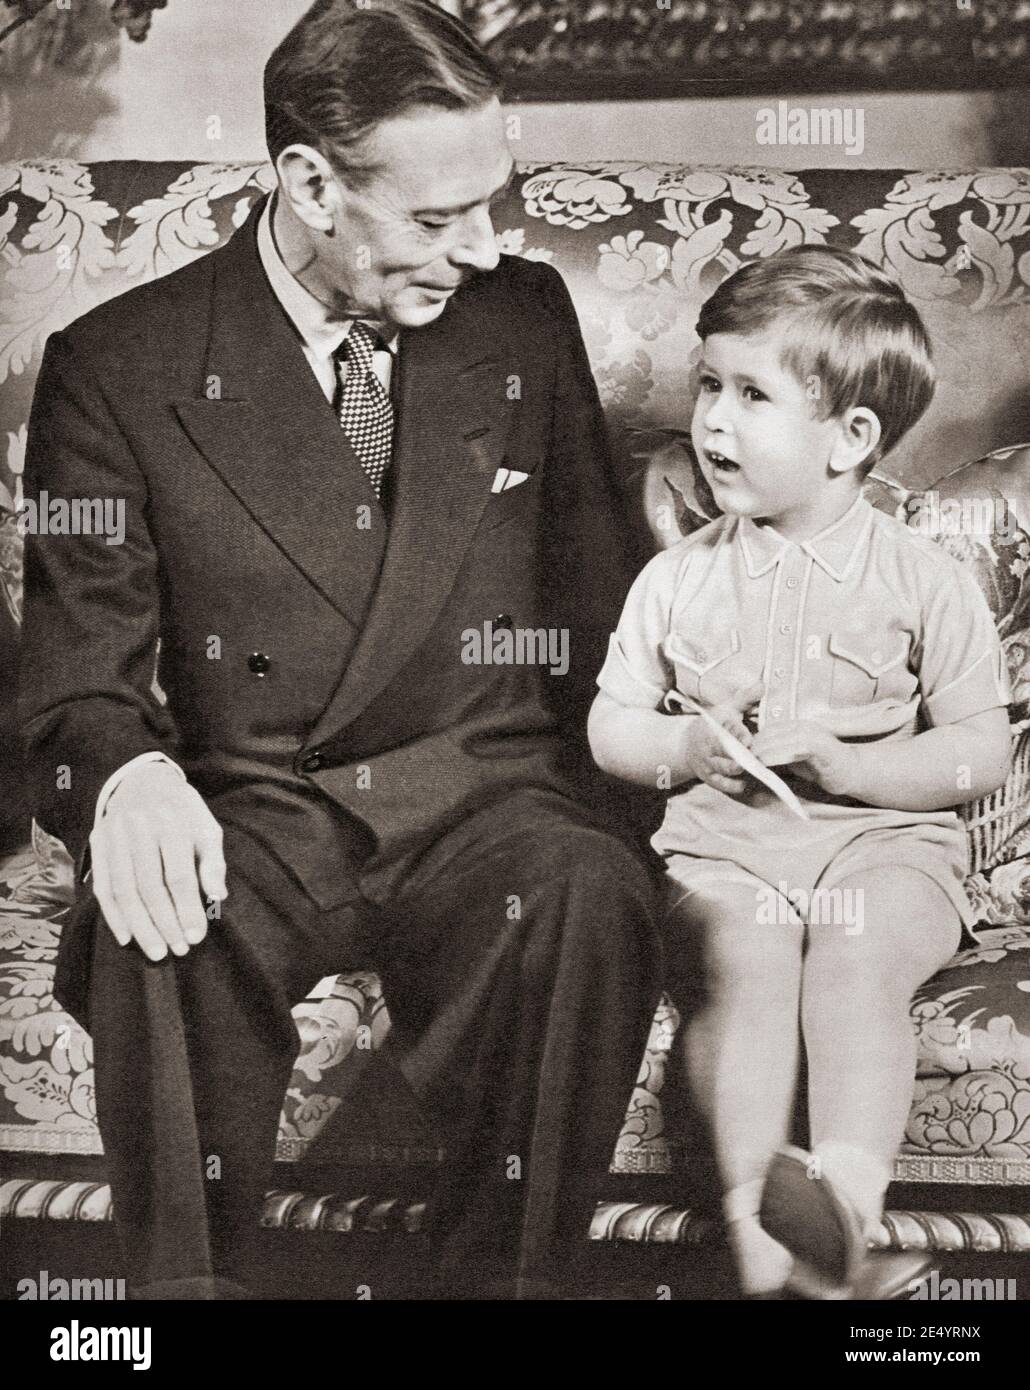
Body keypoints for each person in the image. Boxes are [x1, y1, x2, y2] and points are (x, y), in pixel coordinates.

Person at [19, 0, 661, 1300]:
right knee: (156, 918)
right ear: (309, 182)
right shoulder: (117, 364)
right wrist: (126, 777)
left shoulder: (518, 317)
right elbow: (75, 673)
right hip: (261, 805)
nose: (479, 249)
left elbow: (601, 612)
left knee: (585, 892)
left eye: (495, 202)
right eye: (435, 219)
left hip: (489, 794)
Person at [588, 245, 1013, 1298]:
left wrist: (854, 766)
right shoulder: (676, 578)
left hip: (885, 848)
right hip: (726, 852)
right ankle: (756, 1230)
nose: (712, 421)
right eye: (708, 387)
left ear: (850, 439)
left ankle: (844, 1216)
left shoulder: (923, 576)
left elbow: (977, 749)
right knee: (747, 962)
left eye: (752, 396)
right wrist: (682, 747)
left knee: (856, 962)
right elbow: (609, 724)